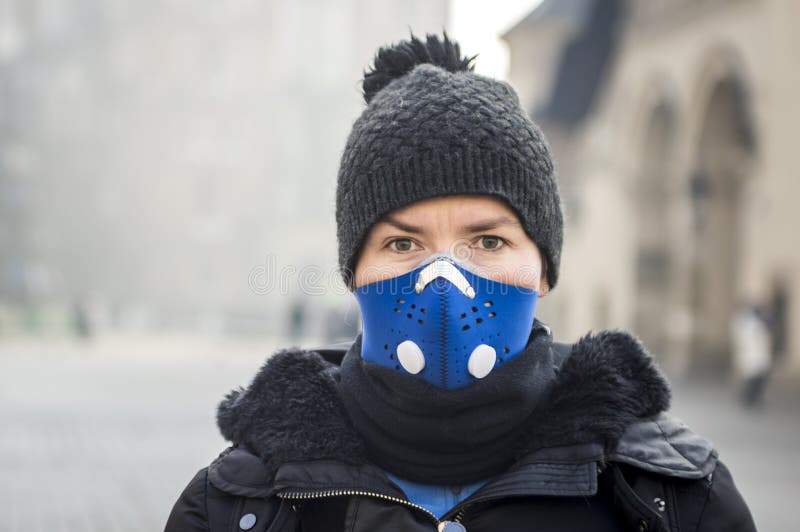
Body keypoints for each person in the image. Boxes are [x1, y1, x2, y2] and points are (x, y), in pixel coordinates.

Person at [165, 33, 755, 532]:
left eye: (489, 242)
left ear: (543, 269)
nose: (445, 281)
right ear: (354, 272)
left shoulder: (672, 500)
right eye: (403, 244)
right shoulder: (234, 506)